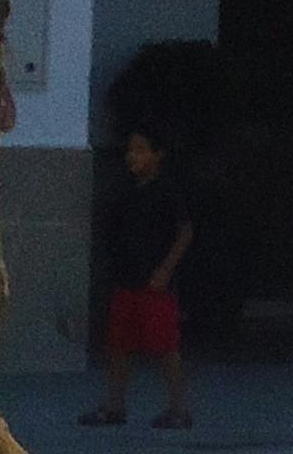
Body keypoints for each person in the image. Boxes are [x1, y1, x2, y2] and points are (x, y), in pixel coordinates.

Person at [83, 125, 194, 432]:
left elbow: (185, 232)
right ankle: (115, 406)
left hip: (156, 285)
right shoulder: (125, 190)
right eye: (130, 150)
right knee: (119, 346)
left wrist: (165, 270)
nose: (133, 157)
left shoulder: (167, 190)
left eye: (141, 150)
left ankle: (179, 408)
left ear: (158, 155)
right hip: (126, 280)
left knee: (164, 347)